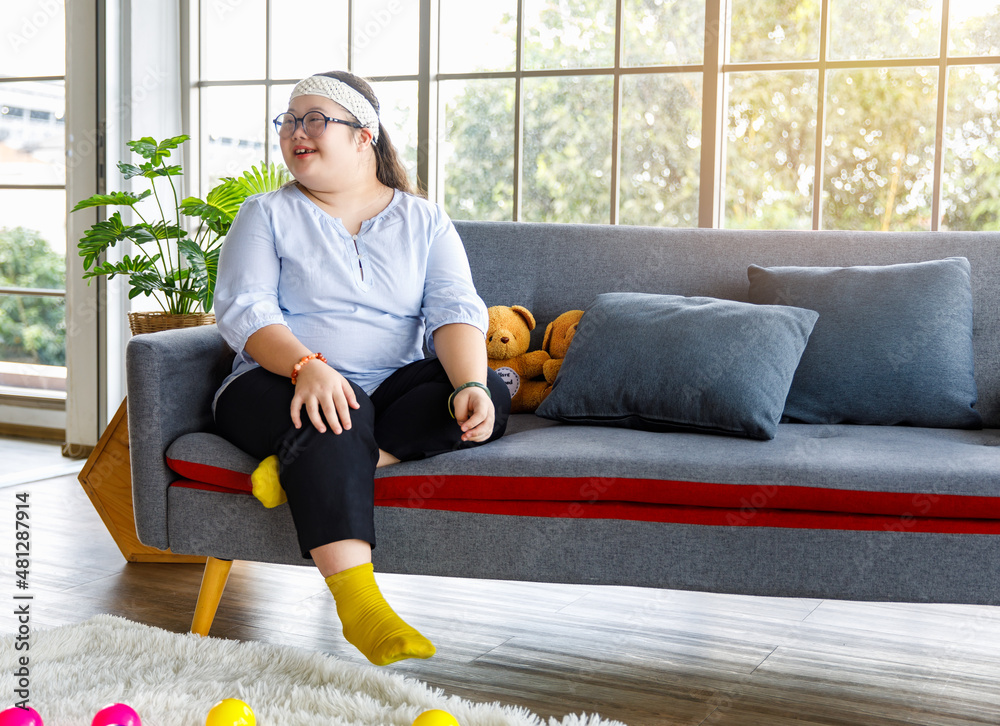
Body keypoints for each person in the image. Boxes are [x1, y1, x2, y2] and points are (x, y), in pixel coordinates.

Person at [211, 70, 511, 666]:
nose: (297, 133)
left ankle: (311, 463)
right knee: (332, 414)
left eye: (315, 120)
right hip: (273, 380)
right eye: (289, 121)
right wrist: (306, 365)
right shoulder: (265, 213)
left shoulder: (424, 221)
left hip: (387, 387)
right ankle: (361, 607)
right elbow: (246, 310)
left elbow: (453, 311)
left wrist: (468, 385)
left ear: (363, 135)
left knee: (493, 391)